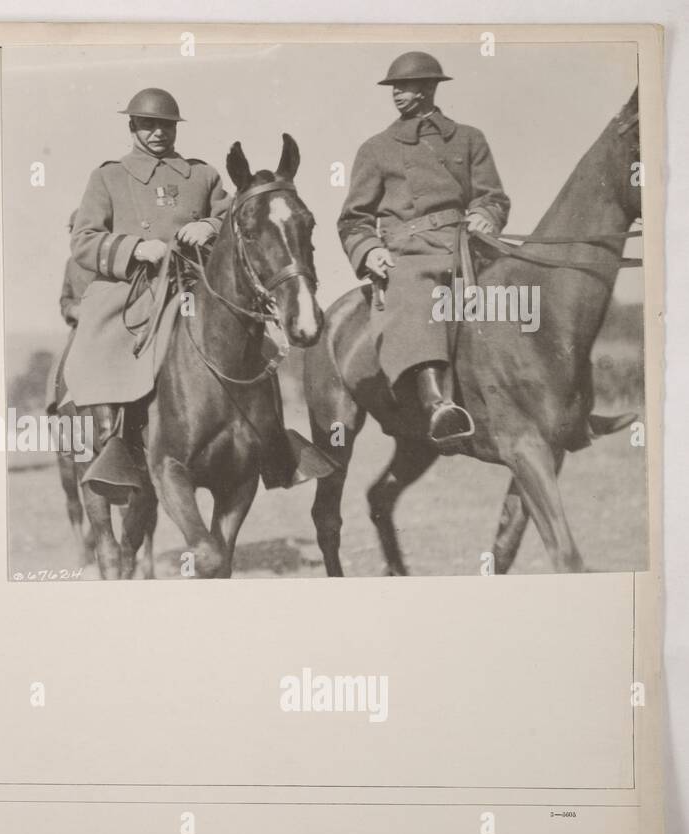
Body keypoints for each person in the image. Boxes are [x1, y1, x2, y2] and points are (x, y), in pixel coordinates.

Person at [67, 87, 320, 499]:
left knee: (259, 347)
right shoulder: (108, 177)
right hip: (134, 289)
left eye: (165, 126)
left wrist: (210, 226)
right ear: (132, 127)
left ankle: (275, 442)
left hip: (196, 282)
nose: (157, 133)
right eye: (148, 125)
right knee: (103, 345)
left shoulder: (202, 174)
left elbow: (237, 217)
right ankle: (115, 446)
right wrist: (135, 247)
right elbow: (84, 239)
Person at [337, 52, 510, 443]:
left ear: (430, 87)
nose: (396, 93)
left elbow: (493, 197)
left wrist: (486, 215)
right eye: (393, 87)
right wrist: (369, 251)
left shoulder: (469, 138)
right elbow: (353, 218)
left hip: (468, 244)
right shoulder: (377, 148)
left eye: (405, 86)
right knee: (416, 292)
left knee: (522, 289)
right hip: (410, 251)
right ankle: (437, 405)